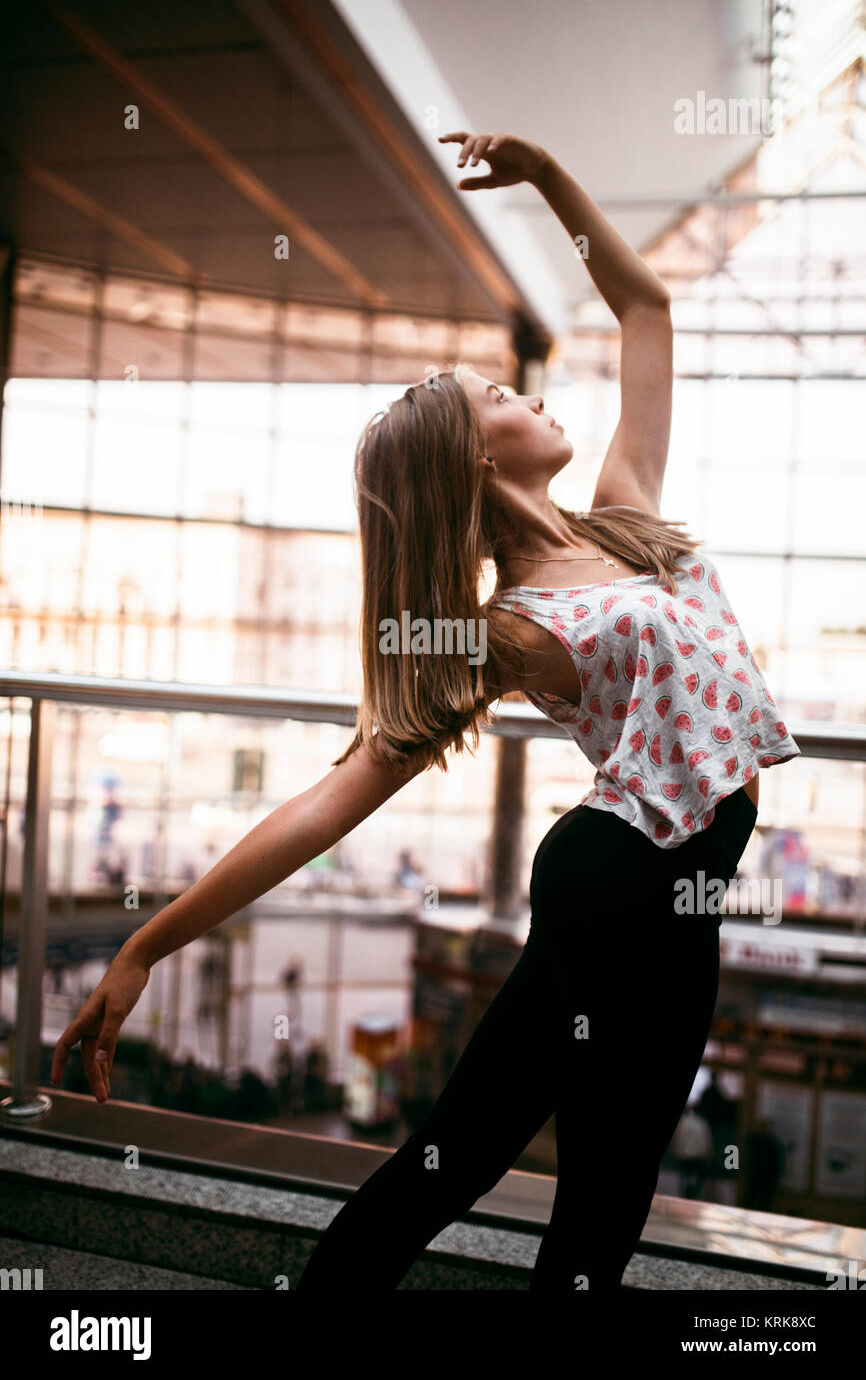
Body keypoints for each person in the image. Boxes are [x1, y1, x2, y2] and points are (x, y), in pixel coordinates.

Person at [50, 131, 801, 1292]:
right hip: (622, 884)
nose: (528, 390)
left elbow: (645, 309)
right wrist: (148, 942)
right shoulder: (500, 629)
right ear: (464, 460)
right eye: (496, 394)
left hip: (660, 884)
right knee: (590, 1183)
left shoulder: (624, 520)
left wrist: (553, 177)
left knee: (489, 1153)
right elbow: (329, 797)